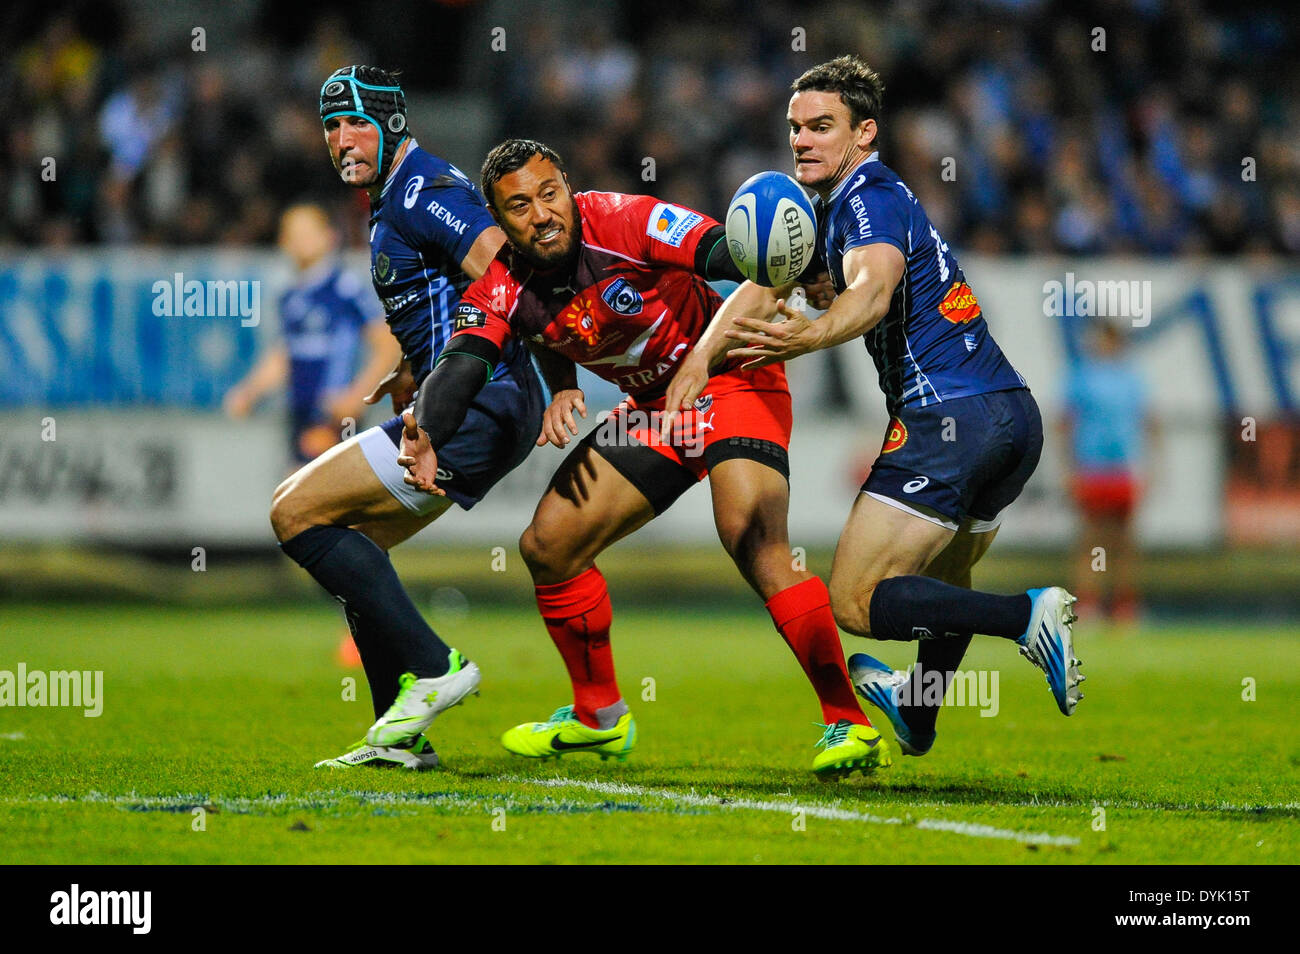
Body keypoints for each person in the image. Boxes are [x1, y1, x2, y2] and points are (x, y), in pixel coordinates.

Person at [398, 138, 890, 780]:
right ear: (500, 222)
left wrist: (796, 267)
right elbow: (463, 363)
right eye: (519, 206)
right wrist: (427, 429)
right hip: (656, 408)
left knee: (752, 538)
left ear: (568, 188)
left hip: (729, 375)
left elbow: (727, 251)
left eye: (550, 194)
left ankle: (848, 723)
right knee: (549, 545)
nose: (541, 214)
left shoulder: (627, 221)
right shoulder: (500, 288)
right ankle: (599, 718)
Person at [662, 55, 1085, 759]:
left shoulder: (870, 197)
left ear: (864, 134)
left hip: (944, 416)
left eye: (822, 126)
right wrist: (700, 359)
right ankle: (918, 712)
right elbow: (764, 287)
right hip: (1008, 417)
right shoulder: (826, 213)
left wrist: (812, 334)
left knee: (857, 601)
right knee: (944, 582)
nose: (803, 140)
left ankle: (1027, 614)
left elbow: (873, 289)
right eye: (796, 126)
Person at [273, 66, 551, 771]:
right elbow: (449, 293)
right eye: (331, 126)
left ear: (391, 122)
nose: (341, 140)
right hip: (475, 397)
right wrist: (411, 366)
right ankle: (398, 739)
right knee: (355, 545)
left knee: (293, 512)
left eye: (356, 122)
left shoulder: (424, 189)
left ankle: (434, 666)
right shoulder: (394, 195)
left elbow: (502, 270)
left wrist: (454, 374)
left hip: (477, 400)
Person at [225, 203, 397, 471]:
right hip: (300, 413)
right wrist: (250, 391)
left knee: (322, 497)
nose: (301, 241)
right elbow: (284, 357)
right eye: (293, 234)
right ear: (283, 242)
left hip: (332, 415)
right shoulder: (290, 298)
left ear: (330, 237)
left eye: (308, 233)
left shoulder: (344, 289)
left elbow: (388, 346)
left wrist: (357, 396)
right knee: (299, 499)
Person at [1061, 319, 1153, 624]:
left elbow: (1145, 422)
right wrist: (1067, 467)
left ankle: (1124, 605)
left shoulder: (1130, 379)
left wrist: (1150, 467)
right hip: (1091, 467)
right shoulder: (1080, 377)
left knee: (1123, 541)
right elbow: (1066, 424)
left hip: (1122, 469)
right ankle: (1088, 603)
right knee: (1091, 539)